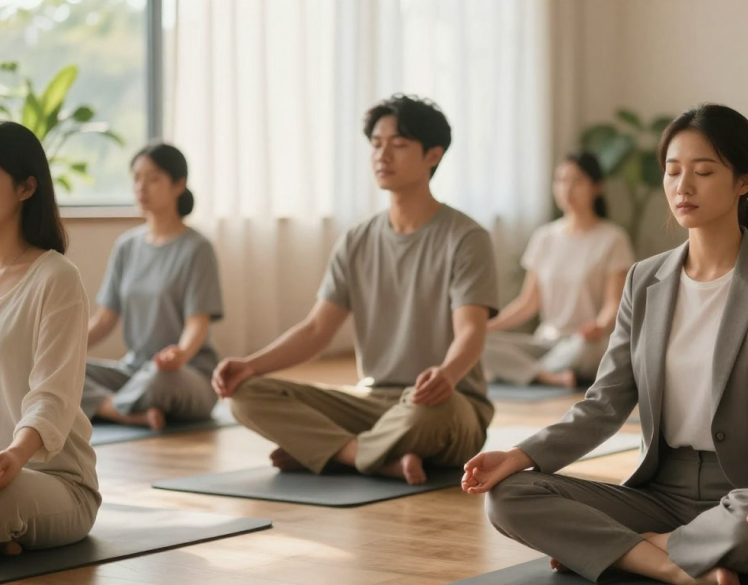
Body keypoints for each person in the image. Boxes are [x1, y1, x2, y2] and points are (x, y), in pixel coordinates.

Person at [462, 104, 748, 584]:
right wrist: (520, 455)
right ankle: (673, 567)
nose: (683, 186)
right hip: (659, 495)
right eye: (672, 172)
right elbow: (604, 403)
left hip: (747, 489)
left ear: (744, 180)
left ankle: (627, 549)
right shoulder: (645, 279)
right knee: (509, 496)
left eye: (703, 171)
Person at [213, 95, 499, 486]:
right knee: (245, 395)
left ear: (433, 155)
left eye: (398, 145)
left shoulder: (466, 238)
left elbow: (471, 331)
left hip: (446, 404)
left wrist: (447, 375)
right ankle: (368, 457)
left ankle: (329, 452)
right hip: (373, 403)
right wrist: (250, 365)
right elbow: (316, 331)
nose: (383, 155)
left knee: (432, 413)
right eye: (376, 144)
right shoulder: (357, 240)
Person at [0, 121, 101, 555]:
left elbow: (52, 397)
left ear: (26, 188)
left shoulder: (56, 277)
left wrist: (15, 457)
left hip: (57, 483)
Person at [82, 143, 223, 431]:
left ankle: (106, 408)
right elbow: (105, 320)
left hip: (184, 372)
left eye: (153, 178)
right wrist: (57, 352)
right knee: (57, 372)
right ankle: (125, 411)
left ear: (178, 185)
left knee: (159, 378)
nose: (141, 187)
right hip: (133, 370)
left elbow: (198, 324)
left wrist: (179, 355)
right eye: (136, 177)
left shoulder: (198, 248)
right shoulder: (126, 246)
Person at [483, 152, 634, 389]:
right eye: (561, 180)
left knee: (590, 349)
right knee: (479, 344)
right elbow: (527, 303)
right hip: (546, 341)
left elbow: (613, 305)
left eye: (577, 181)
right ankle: (547, 375)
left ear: (596, 187)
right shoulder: (544, 237)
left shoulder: (612, 238)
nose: (567, 189)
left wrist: (600, 326)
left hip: (585, 343)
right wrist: (483, 328)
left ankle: (529, 373)